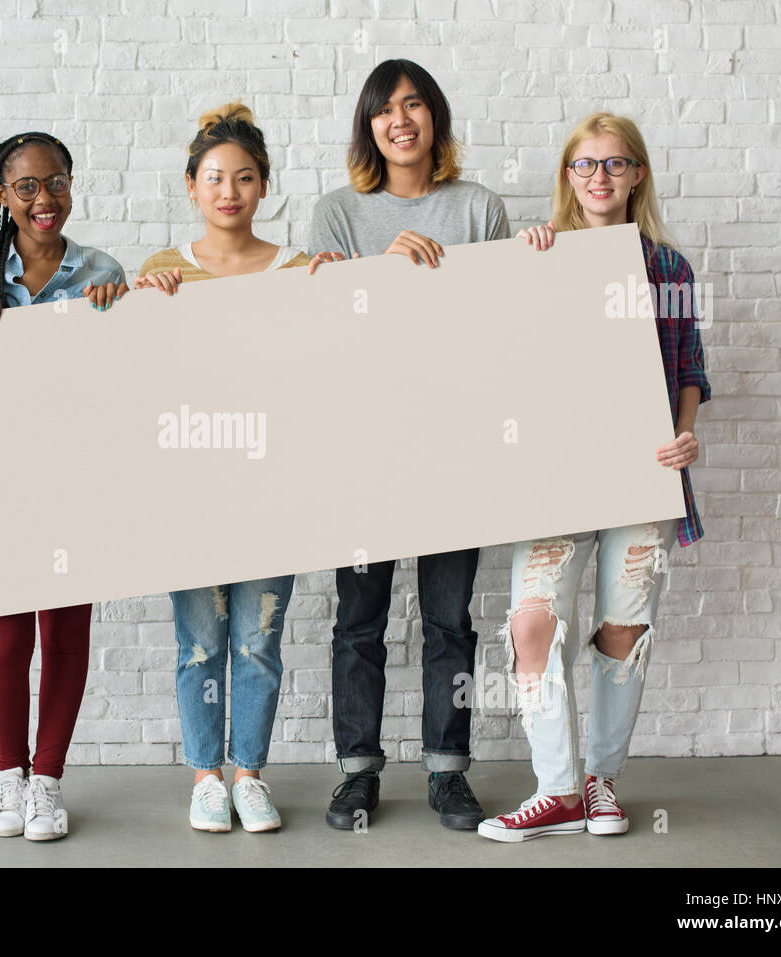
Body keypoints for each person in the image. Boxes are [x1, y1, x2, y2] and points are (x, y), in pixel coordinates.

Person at [477, 112, 711, 842]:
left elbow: (689, 368)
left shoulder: (669, 269)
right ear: (568, 176)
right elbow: (501, 360)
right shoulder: (539, 255)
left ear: (637, 174)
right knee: (532, 624)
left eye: (615, 163)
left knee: (622, 629)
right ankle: (556, 791)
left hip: (642, 471)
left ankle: (601, 782)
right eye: (585, 164)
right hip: (556, 473)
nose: (600, 176)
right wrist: (524, 269)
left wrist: (685, 435)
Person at [306, 58, 510, 832]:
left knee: (449, 619)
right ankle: (357, 774)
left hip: (453, 445)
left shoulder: (479, 207)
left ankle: (448, 772)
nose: (401, 120)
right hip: (362, 448)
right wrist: (379, 275)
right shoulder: (337, 212)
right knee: (359, 622)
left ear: (436, 119)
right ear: (369, 126)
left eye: (415, 104)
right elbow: (327, 336)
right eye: (385, 109)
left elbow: (500, 324)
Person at [0, 131, 126, 841]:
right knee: (4, 633)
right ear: (1, 194)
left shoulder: (100, 269)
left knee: (66, 629)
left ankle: (47, 779)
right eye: (26, 186)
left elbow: (122, 380)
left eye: (56, 183)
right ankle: (9, 775)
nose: (44, 199)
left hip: (76, 476)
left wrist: (118, 312)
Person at [134, 101, 310, 833]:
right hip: (193, 490)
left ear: (263, 185)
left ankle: (249, 775)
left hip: (273, 487)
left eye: (243, 177)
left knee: (258, 642)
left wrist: (335, 294)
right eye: (214, 178)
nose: (229, 191)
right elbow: (141, 380)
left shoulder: (298, 268)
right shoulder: (162, 271)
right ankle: (206, 776)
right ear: (191, 186)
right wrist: (142, 308)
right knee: (201, 643)